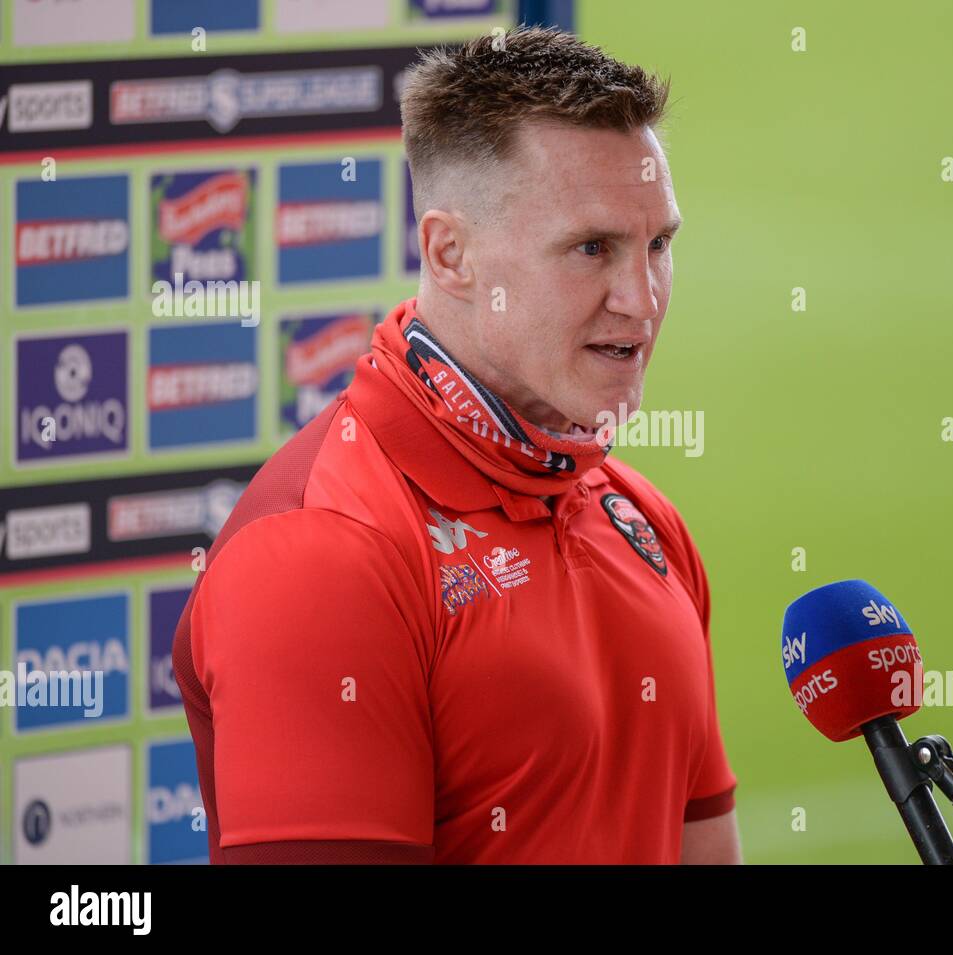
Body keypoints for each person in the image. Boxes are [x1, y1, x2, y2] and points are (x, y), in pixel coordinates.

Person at [173, 25, 740, 864]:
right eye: (593, 249)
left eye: (659, 245)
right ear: (450, 253)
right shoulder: (322, 552)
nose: (642, 299)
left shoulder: (641, 520)